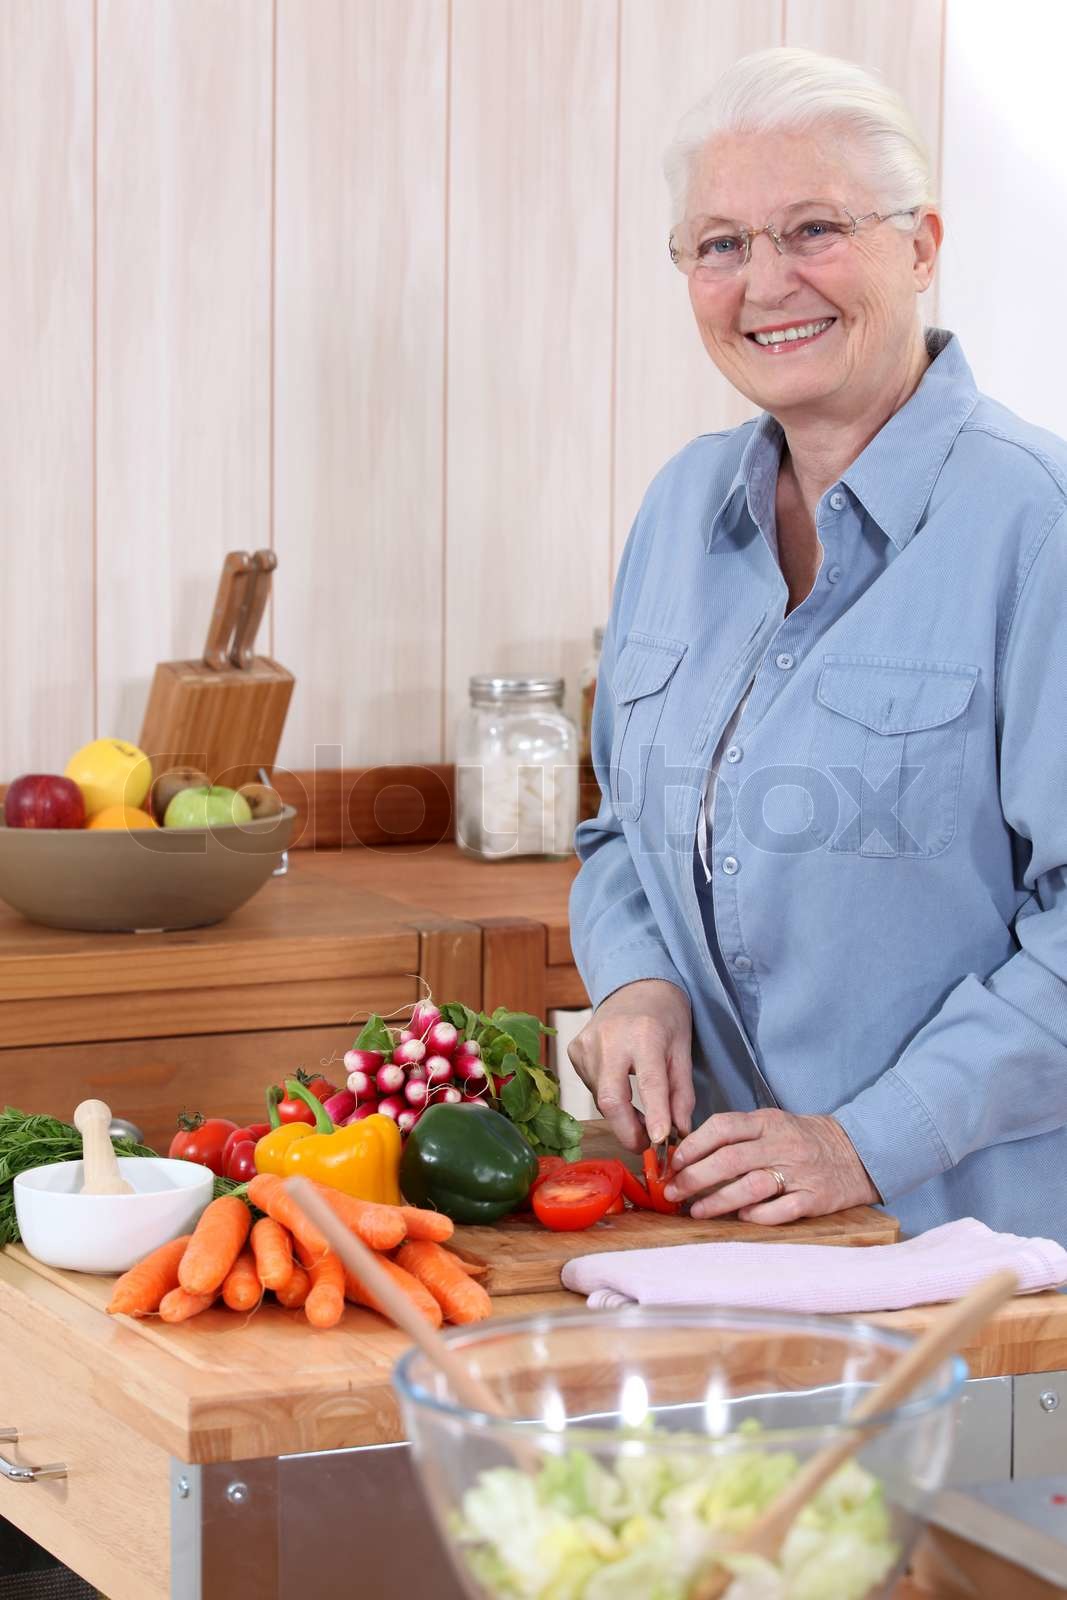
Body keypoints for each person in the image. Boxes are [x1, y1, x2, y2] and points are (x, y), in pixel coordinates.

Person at [567, 47, 1067, 1243]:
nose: (765, 283)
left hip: (977, 1271)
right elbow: (617, 834)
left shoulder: (1036, 525)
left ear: (921, 246)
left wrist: (860, 1141)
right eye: (721, 245)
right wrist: (635, 977)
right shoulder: (680, 509)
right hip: (715, 1236)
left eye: (811, 230)